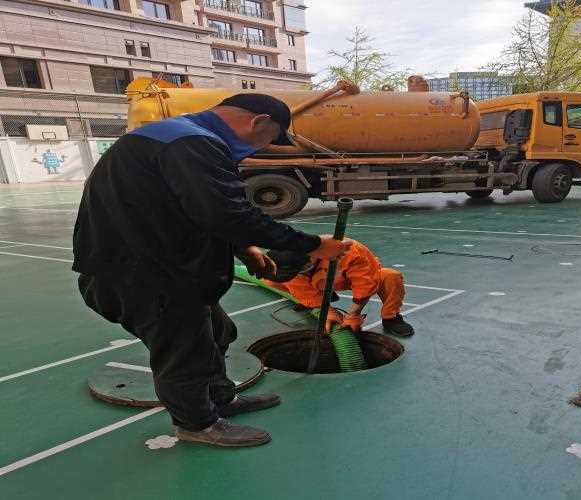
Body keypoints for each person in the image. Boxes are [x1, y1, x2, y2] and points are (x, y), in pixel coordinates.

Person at [72, 94, 350, 448]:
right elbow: (227, 214)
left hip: (163, 267)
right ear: (258, 122)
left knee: (218, 331)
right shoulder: (193, 143)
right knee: (185, 352)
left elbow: (192, 208)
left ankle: (221, 399)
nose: (261, 149)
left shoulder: (177, 136)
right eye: (269, 139)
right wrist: (311, 244)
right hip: (141, 274)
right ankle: (197, 425)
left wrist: (244, 248)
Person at [264, 239, 414, 337]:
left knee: (391, 277)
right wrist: (327, 312)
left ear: (309, 260)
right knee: (269, 280)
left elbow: (365, 284)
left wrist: (354, 314)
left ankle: (391, 318)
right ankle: (325, 297)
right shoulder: (290, 264)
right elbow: (301, 288)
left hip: (351, 279)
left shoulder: (349, 251)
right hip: (320, 282)